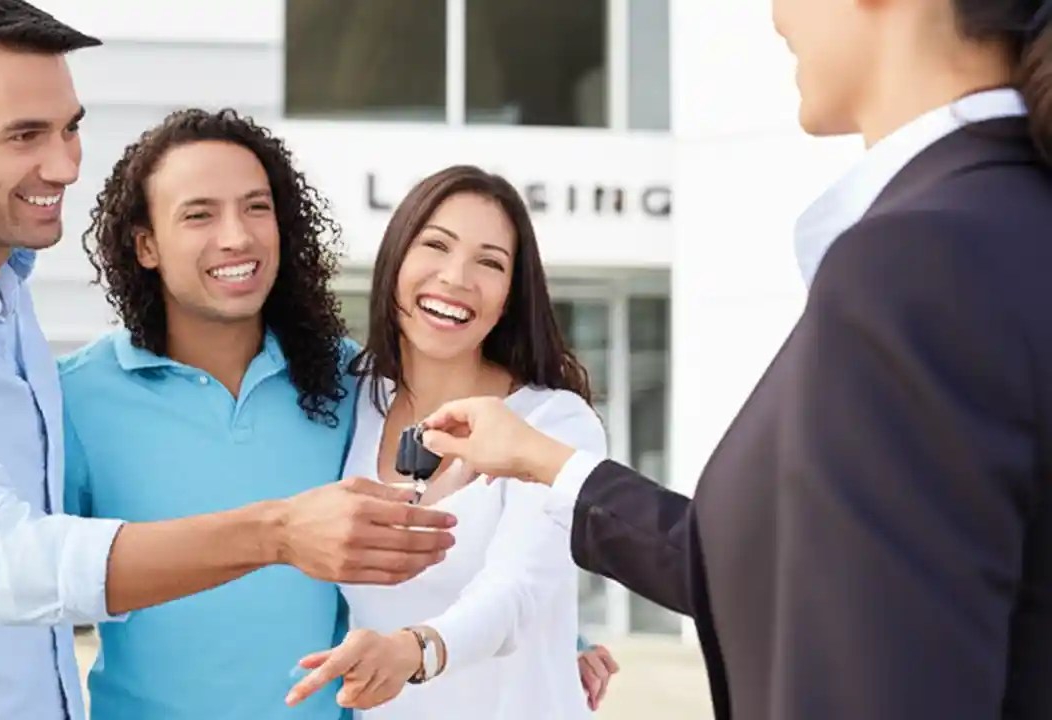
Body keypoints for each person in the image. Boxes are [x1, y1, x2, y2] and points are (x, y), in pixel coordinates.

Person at [0, 3, 453, 718]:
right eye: (25, 135)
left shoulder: (6, 310)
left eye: (70, 127)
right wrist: (280, 533)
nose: (66, 164)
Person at [409, 1, 1052, 718]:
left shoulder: (918, 263)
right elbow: (778, 577)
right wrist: (543, 460)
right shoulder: (999, 233)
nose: (777, 14)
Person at [284, 165, 617, 719]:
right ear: (395, 260)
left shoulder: (554, 422)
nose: (457, 278)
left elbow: (516, 591)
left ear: (510, 295)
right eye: (435, 245)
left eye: (489, 262)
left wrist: (411, 651)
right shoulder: (348, 405)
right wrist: (573, 642)